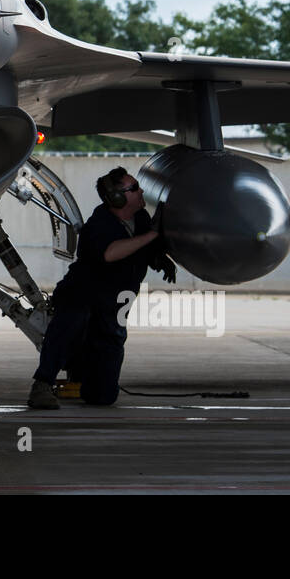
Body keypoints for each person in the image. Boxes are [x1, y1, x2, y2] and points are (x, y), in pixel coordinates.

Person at [27, 166, 176, 409]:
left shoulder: (140, 219)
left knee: (103, 396)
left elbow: (139, 248)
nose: (141, 192)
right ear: (117, 198)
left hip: (113, 306)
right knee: (71, 321)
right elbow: (110, 253)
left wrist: (157, 256)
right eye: (134, 188)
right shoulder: (98, 224)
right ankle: (42, 384)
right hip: (82, 297)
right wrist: (151, 236)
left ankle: (85, 371)